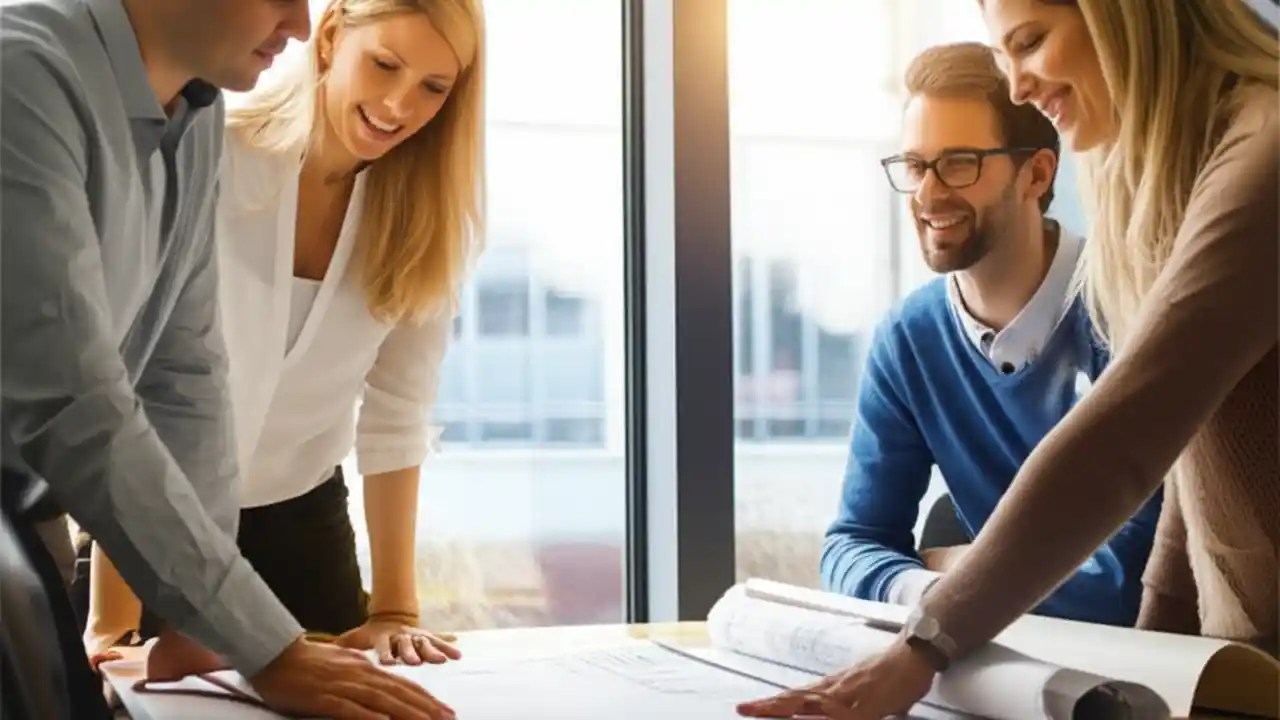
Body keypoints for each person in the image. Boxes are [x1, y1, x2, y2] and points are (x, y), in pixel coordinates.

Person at [738, 0, 1278, 716]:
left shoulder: (1265, 154)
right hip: (1237, 655)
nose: (1020, 86)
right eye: (915, 165)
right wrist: (1165, 653)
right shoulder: (1165, 173)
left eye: (1031, 42)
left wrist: (923, 646)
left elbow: (1127, 442)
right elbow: (1188, 462)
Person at [0, 1, 454, 718]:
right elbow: (77, 404)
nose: (300, 26)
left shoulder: (194, 110)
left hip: (34, 526)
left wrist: (194, 624)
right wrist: (262, 645)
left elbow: (183, 373)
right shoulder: (19, 75)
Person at [821, 41, 1159, 627]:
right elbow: (851, 544)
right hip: (996, 661)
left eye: (958, 163)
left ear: (1036, 174)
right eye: (915, 165)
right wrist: (930, 592)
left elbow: (1128, 581)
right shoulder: (909, 339)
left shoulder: (1128, 313)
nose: (927, 193)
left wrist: (964, 573)